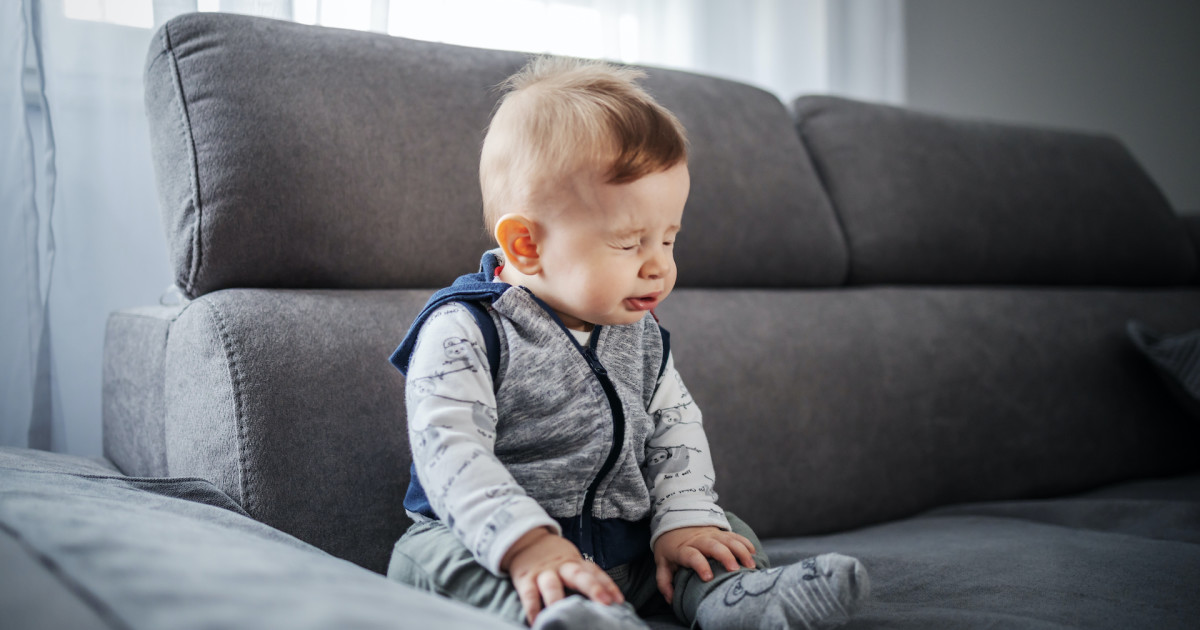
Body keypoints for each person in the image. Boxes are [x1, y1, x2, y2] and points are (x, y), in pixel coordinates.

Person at [387, 56, 869, 629]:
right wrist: (527, 543)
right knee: (432, 561)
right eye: (628, 243)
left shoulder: (640, 336)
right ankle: (567, 615)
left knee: (721, 533)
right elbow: (451, 450)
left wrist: (684, 521)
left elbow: (676, 428)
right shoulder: (467, 330)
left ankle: (735, 603)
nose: (658, 268)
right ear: (526, 245)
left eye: (668, 240)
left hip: (625, 548)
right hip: (493, 542)